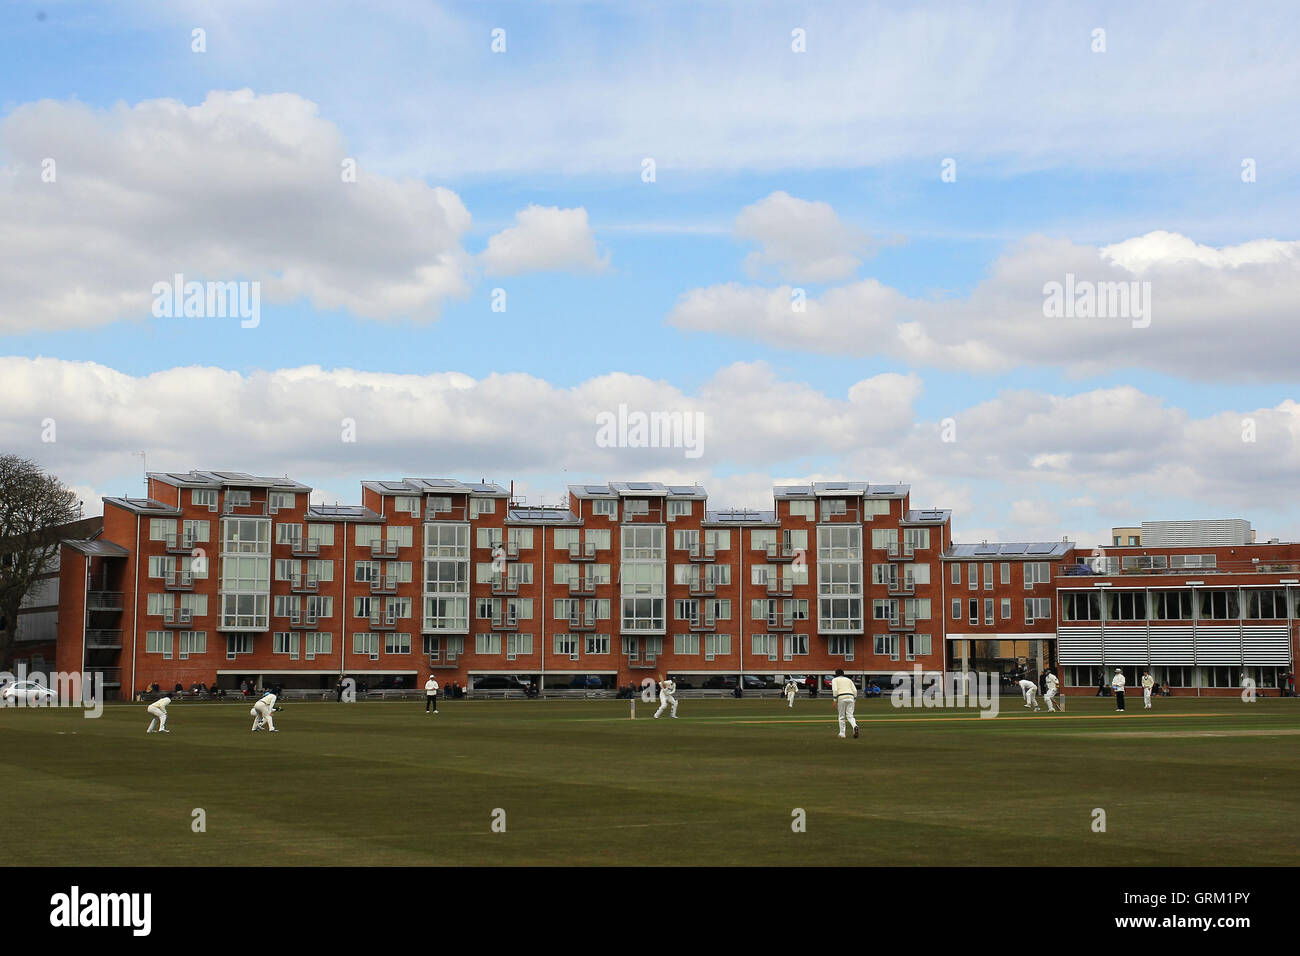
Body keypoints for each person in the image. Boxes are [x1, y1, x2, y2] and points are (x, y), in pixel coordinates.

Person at [831, 668, 858, 739]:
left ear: (836, 674)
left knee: (841, 716)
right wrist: (854, 700)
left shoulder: (834, 680)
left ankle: (842, 734)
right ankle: (855, 726)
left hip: (841, 697)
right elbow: (855, 690)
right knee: (850, 716)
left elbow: (835, 690)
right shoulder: (849, 680)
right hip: (851, 697)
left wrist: (835, 700)